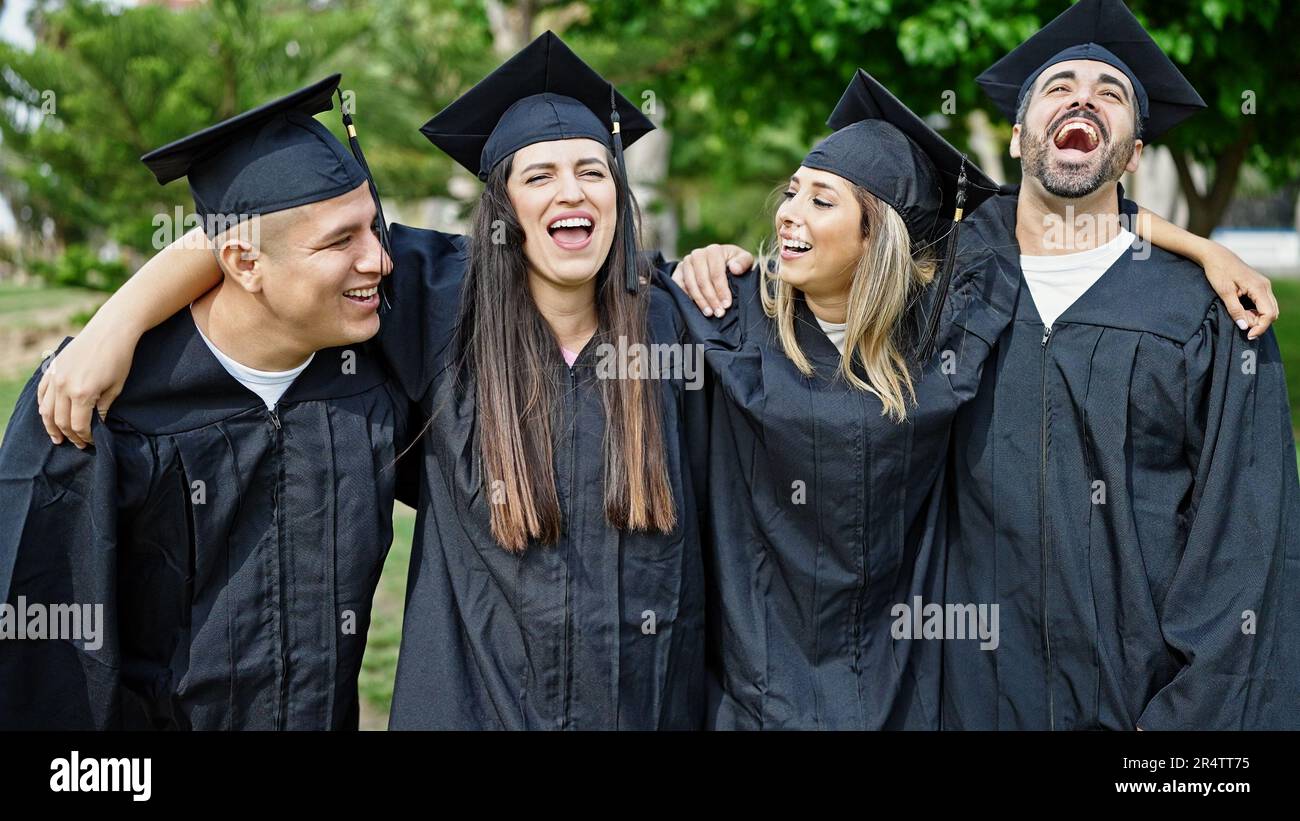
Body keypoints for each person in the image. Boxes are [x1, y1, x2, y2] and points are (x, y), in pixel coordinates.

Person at [35, 33, 749, 730]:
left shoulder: (678, 326)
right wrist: (116, 322)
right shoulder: (442, 303)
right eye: (539, 175)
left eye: (594, 171)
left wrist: (723, 264)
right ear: (503, 208)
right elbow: (269, 232)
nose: (573, 192)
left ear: (619, 192)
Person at [0, 76, 410, 730]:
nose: (381, 260)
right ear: (243, 264)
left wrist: (124, 310)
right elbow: (44, 671)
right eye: (341, 241)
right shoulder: (97, 404)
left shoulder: (374, 371)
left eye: (374, 227)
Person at [942, 0, 1300, 729]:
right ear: (1017, 139)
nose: (1082, 97)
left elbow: (1249, 538)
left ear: (1133, 153)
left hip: (1142, 704)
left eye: (1110, 93)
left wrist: (1186, 726)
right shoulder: (946, 283)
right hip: (966, 694)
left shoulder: (1208, 311)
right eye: (1058, 86)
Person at [655, 69, 1005, 729]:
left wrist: (1199, 250)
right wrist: (698, 261)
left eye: (823, 200)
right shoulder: (728, 319)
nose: (788, 211)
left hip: (903, 684)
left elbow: (1050, 220)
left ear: (878, 237)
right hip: (752, 691)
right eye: (792, 192)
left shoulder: (941, 343)